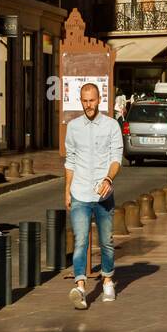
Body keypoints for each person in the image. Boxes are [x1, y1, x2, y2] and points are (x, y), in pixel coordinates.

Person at [64, 82, 122, 309]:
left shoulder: (111, 125)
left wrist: (109, 179)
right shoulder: (74, 127)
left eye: (92, 100)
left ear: (99, 100)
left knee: (106, 242)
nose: (88, 105)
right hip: (79, 192)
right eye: (85, 101)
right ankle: (80, 287)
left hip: (103, 195)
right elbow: (70, 160)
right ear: (81, 101)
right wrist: (66, 190)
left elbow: (116, 157)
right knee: (81, 242)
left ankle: (107, 280)